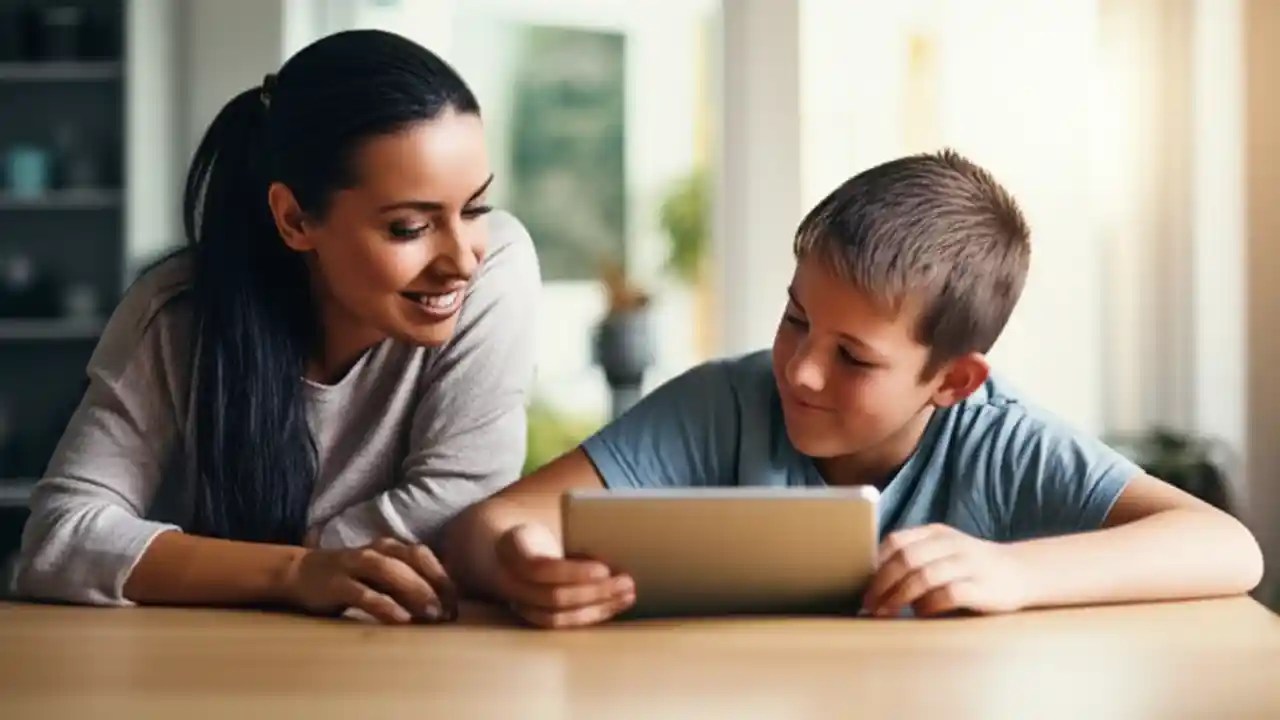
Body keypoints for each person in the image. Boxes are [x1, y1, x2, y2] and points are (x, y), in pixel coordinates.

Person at [441, 149, 1264, 629]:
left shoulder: (1000, 441)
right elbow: (488, 526)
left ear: (953, 380)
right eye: (796, 319)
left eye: (854, 358)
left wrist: (1015, 576)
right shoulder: (723, 405)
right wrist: (520, 565)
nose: (801, 369)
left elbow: (1227, 546)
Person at [13, 30, 540, 625]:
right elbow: (59, 539)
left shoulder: (495, 269)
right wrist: (294, 573)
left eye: (474, 208)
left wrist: (286, 569)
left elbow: (460, 507)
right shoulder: (178, 310)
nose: (462, 260)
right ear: (294, 219)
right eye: (409, 228)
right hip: (193, 655)